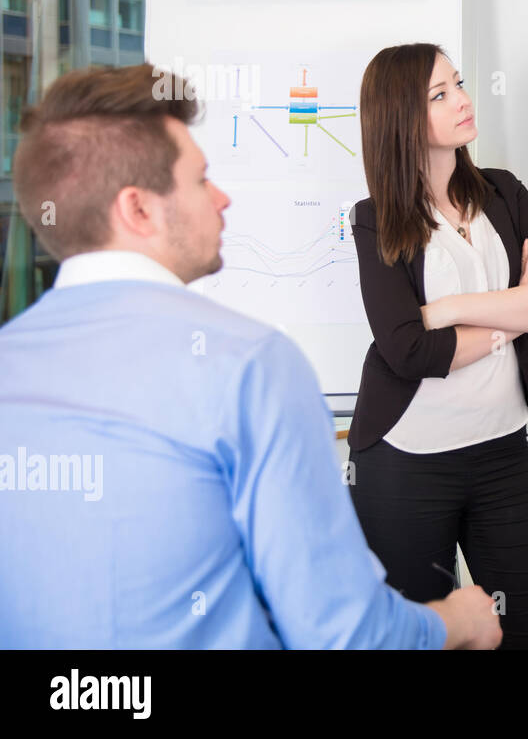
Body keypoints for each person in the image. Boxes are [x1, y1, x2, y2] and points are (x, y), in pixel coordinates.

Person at [0, 63, 500, 649]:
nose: (223, 196)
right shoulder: (249, 365)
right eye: (201, 179)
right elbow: (347, 635)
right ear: (138, 210)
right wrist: (460, 621)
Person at [347, 43, 528, 650]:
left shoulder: (503, 193)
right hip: (405, 464)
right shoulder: (377, 219)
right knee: (417, 639)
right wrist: (514, 312)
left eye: (459, 83)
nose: (464, 100)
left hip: (503, 453)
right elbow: (409, 352)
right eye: (440, 94)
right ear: (401, 116)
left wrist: (448, 312)